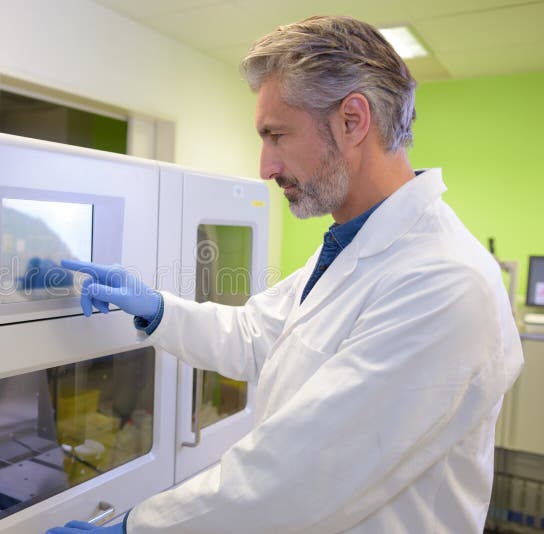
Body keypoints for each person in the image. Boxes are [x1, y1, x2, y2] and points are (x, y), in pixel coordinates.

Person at [47, 15, 523, 534]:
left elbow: (305, 473)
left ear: (352, 120)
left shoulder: (444, 282)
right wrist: (160, 310)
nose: (265, 167)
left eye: (276, 135)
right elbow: (257, 335)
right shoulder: (351, 246)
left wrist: (134, 528)